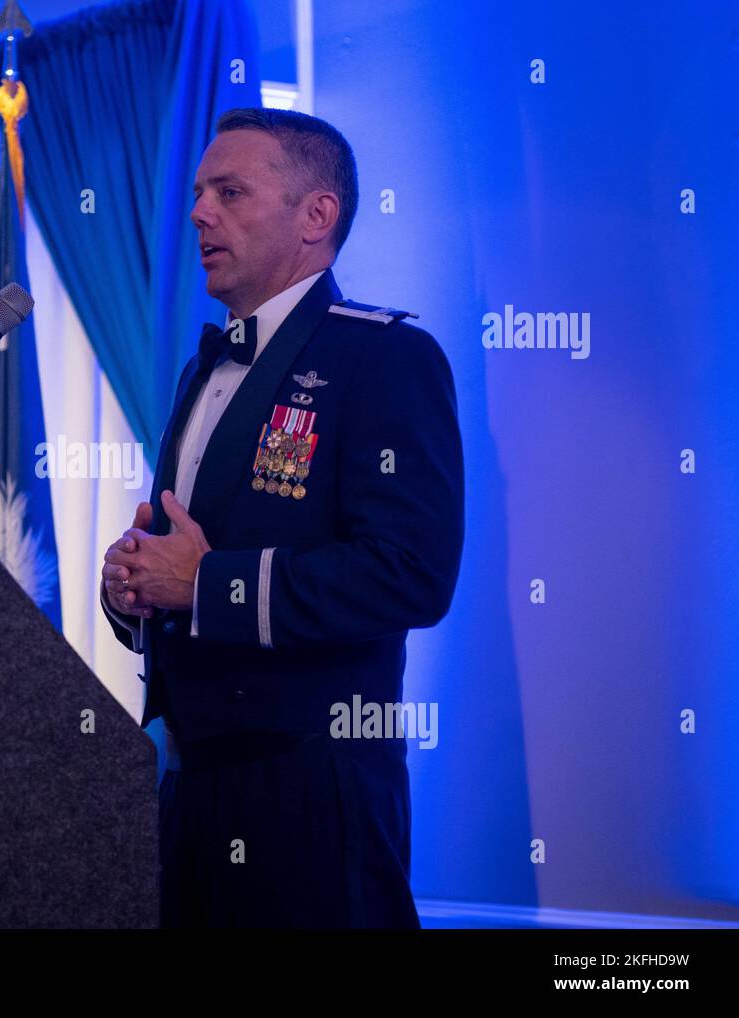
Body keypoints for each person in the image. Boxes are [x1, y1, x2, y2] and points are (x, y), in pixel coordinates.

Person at [100, 107, 464, 928]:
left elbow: (413, 573)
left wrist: (204, 584)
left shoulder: (384, 357)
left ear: (317, 216)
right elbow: (185, 564)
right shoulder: (207, 365)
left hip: (312, 786)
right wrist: (136, 586)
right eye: (199, 193)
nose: (199, 212)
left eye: (230, 191)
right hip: (189, 782)